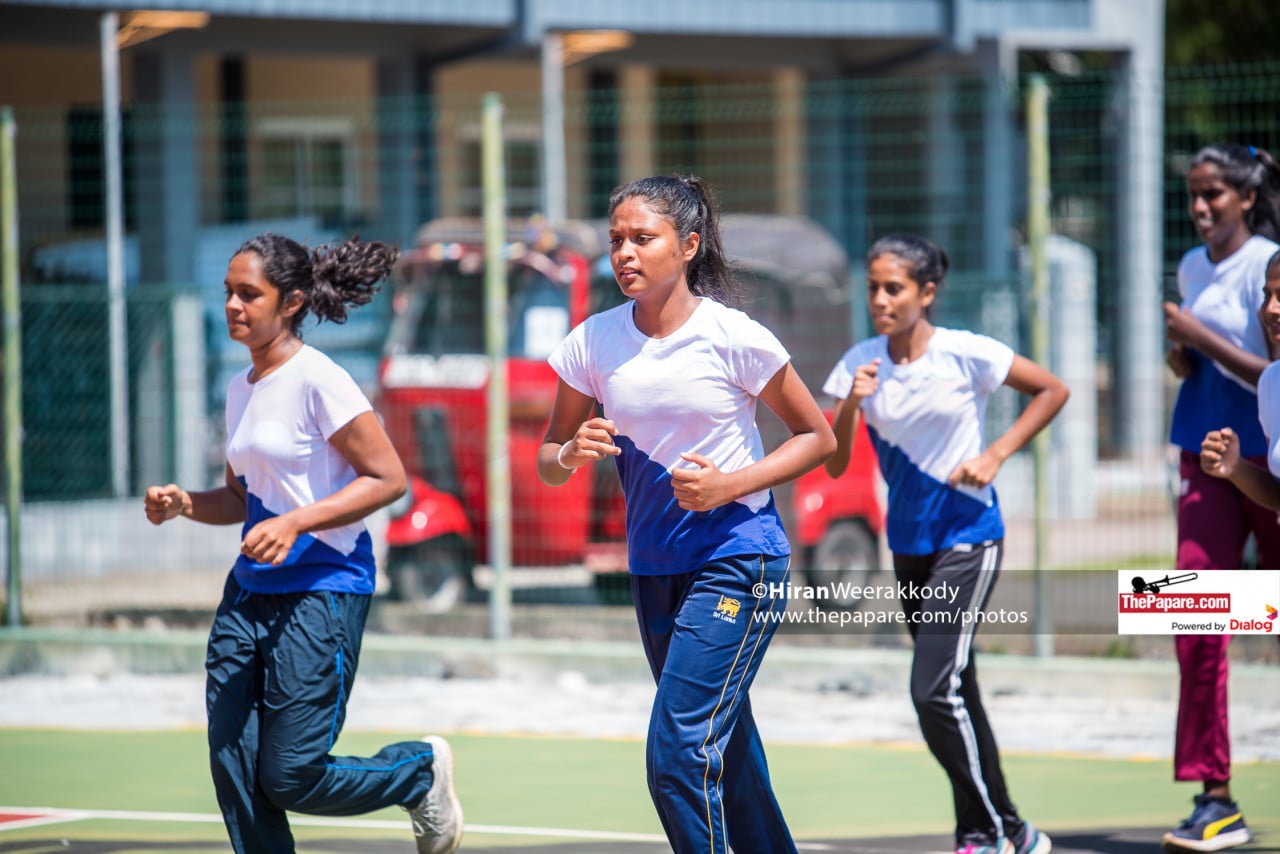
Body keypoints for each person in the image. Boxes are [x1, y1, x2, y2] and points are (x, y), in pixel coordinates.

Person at [537, 174, 835, 854]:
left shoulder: (734, 337)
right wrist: (571, 453)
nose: (625, 253)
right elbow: (548, 456)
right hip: (654, 569)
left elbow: (818, 437)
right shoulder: (592, 342)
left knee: (678, 753)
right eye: (616, 239)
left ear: (689, 246)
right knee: (727, 753)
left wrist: (730, 485)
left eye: (643, 238)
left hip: (739, 558)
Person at [144, 233, 463, 854]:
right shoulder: (240, 388)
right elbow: (239, 498)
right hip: (248, 594)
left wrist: (295, 523)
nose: (232, 305)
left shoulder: (321, 380)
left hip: (322, 591)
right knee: (233, 761)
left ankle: (417, 773)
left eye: (248, 294)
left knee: (290, 774)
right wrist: (185, 503)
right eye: (228, 292)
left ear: (290, 302)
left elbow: (388, 479)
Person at [822, 234, 1067, 854]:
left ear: (927, 292)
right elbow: (835, 460)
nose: (880, 300)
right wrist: (851, 404)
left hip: (969, 536)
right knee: (960, 692)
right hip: (909, 546)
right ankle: (998, 830)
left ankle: (996, 831)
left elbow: (1052, 390)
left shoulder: (965, 352)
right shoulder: (859, 364)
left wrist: (996, 454)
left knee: (932, 690)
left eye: (894, 288)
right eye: (873, 288)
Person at [1161, 143, 1280, 853]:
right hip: (1205, 454)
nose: (1201, 207)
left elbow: (1273, 369)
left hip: (1268, 457)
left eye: (1214, 194)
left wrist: (1198, 334)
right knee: (1194, 609)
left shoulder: (1268, 263)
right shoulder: (1190, 265)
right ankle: (1215, 797)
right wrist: (1181, 355)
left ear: (1247, 197)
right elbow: (1197, 362)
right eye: (1194, 195)